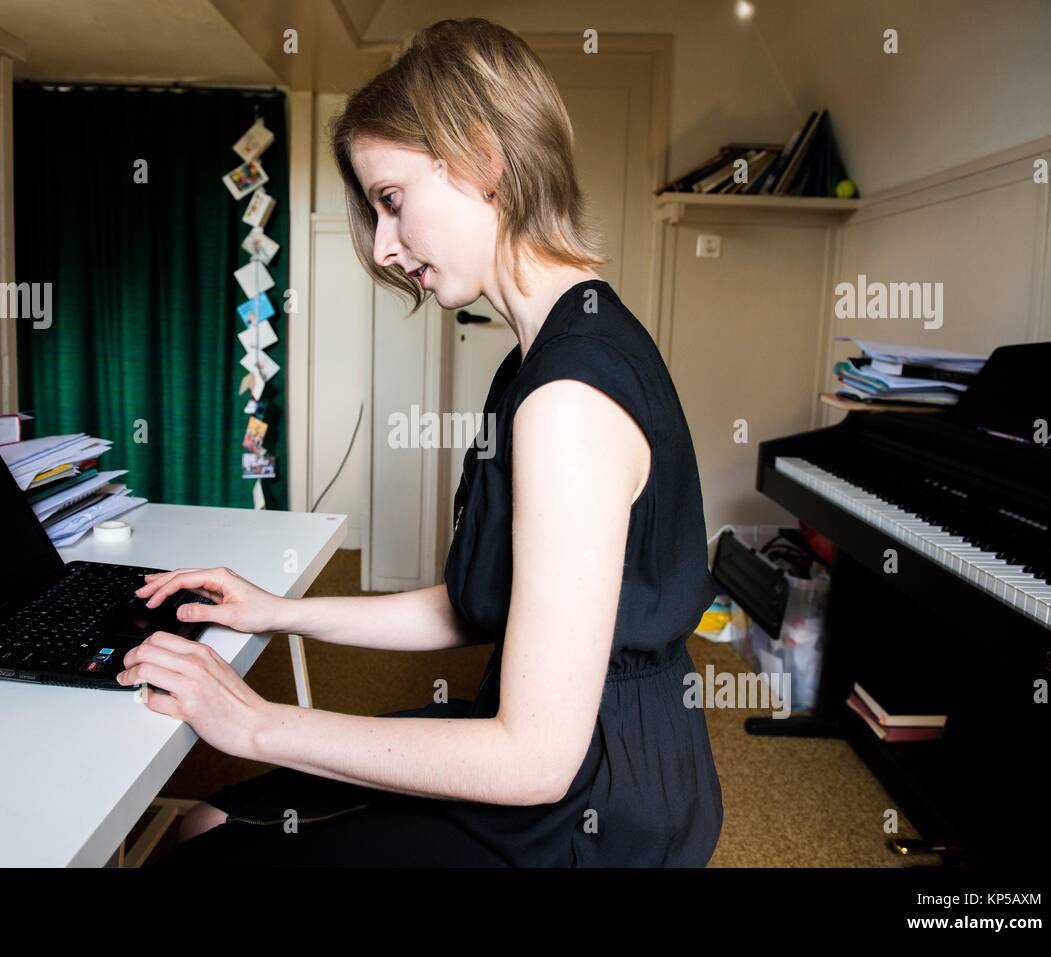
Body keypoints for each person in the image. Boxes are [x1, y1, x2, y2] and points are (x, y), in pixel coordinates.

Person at [139, 17, 722, 867]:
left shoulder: (567, 393)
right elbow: (471, 601)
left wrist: (257, 722)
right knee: (208, 822)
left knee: (208, 847)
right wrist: (276, 609)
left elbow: (533, 759)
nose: (383, 246)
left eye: (391, 200)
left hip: (590, 802)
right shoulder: (540, 356)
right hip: (572, 757)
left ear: (485, 159)